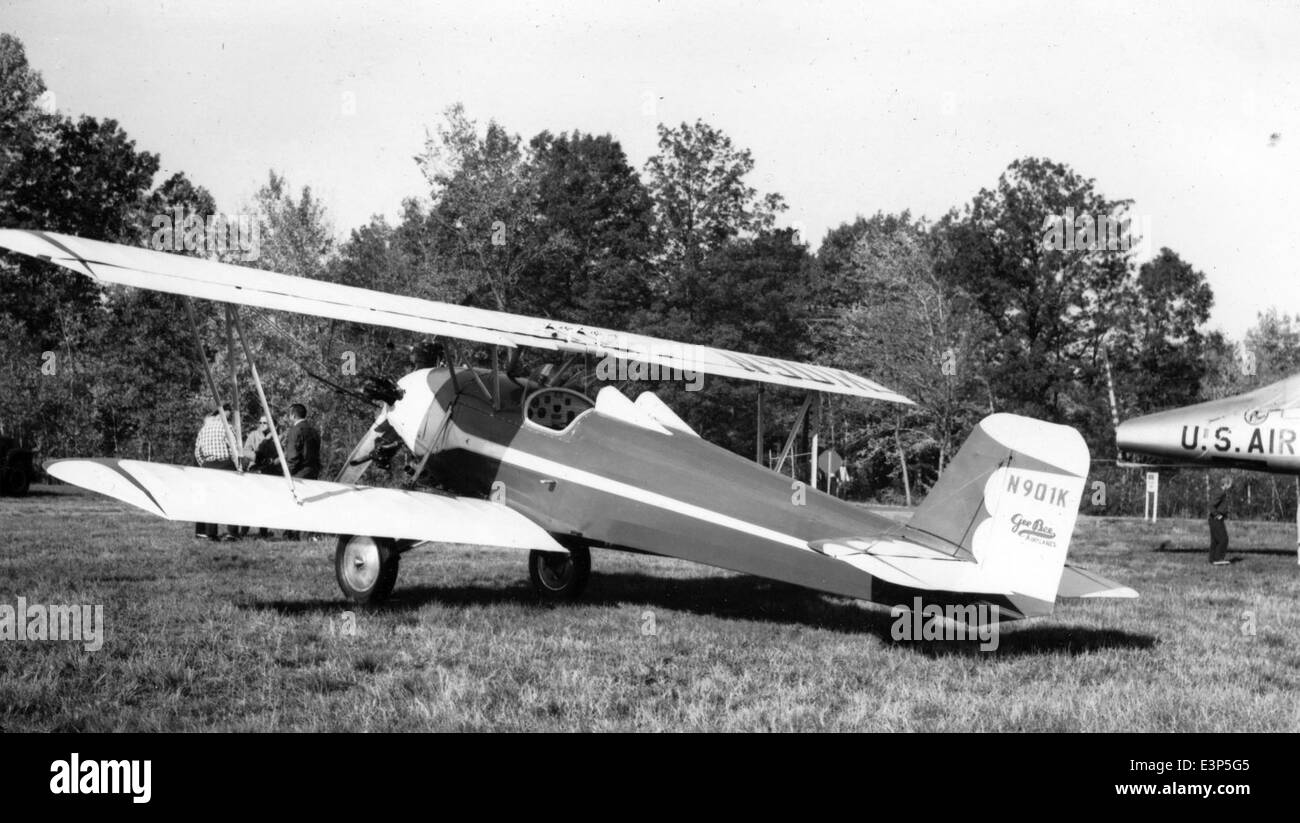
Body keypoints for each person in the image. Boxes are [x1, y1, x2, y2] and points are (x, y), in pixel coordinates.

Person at [193, 404, 240, 541]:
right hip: (225, 464)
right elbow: (234, 449)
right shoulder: (228, 428)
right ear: (222, 415)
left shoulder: (204, 429)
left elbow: (198, 451)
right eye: (228, 416)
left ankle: (211, 533)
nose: (229, 418)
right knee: (230, 500)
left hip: (208, 466)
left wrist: (204, 464)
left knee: (211, 501)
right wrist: (238, 466)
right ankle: (232, 533)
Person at [281, 403, 321, 540]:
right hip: (313, 470)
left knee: (294, 502)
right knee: (309, 503)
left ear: (293, 415)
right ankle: (309, 533)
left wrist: (288, 473)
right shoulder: (314, 430)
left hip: (299, 472)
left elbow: (293, 455)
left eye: (289, 415)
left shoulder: (295, 430)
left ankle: (292, 534)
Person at [238, 415, 280, 538]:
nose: (262, 424)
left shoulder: (277, 438)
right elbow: (245, 451)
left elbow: (282, 455)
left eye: (265, 423)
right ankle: (244, 531)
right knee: (250, 502)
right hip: (254, 471)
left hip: (270, 473)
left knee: (266, 503)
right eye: (260, 422)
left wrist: (273, 461)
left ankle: (263, 531)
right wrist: (257, 458)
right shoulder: (253, 435)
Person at [1209, 476, 1233, 566]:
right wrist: (1217, 515)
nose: (1231, 486)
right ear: (1226, 484)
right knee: (1224, 539)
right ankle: (1218, 558)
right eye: (1230, 484)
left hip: (1213, 519)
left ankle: (1212, 559)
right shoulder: (1220, 493)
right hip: (1216, 519)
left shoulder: (1218, 491)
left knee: (1215, 540)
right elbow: (1211, 505)